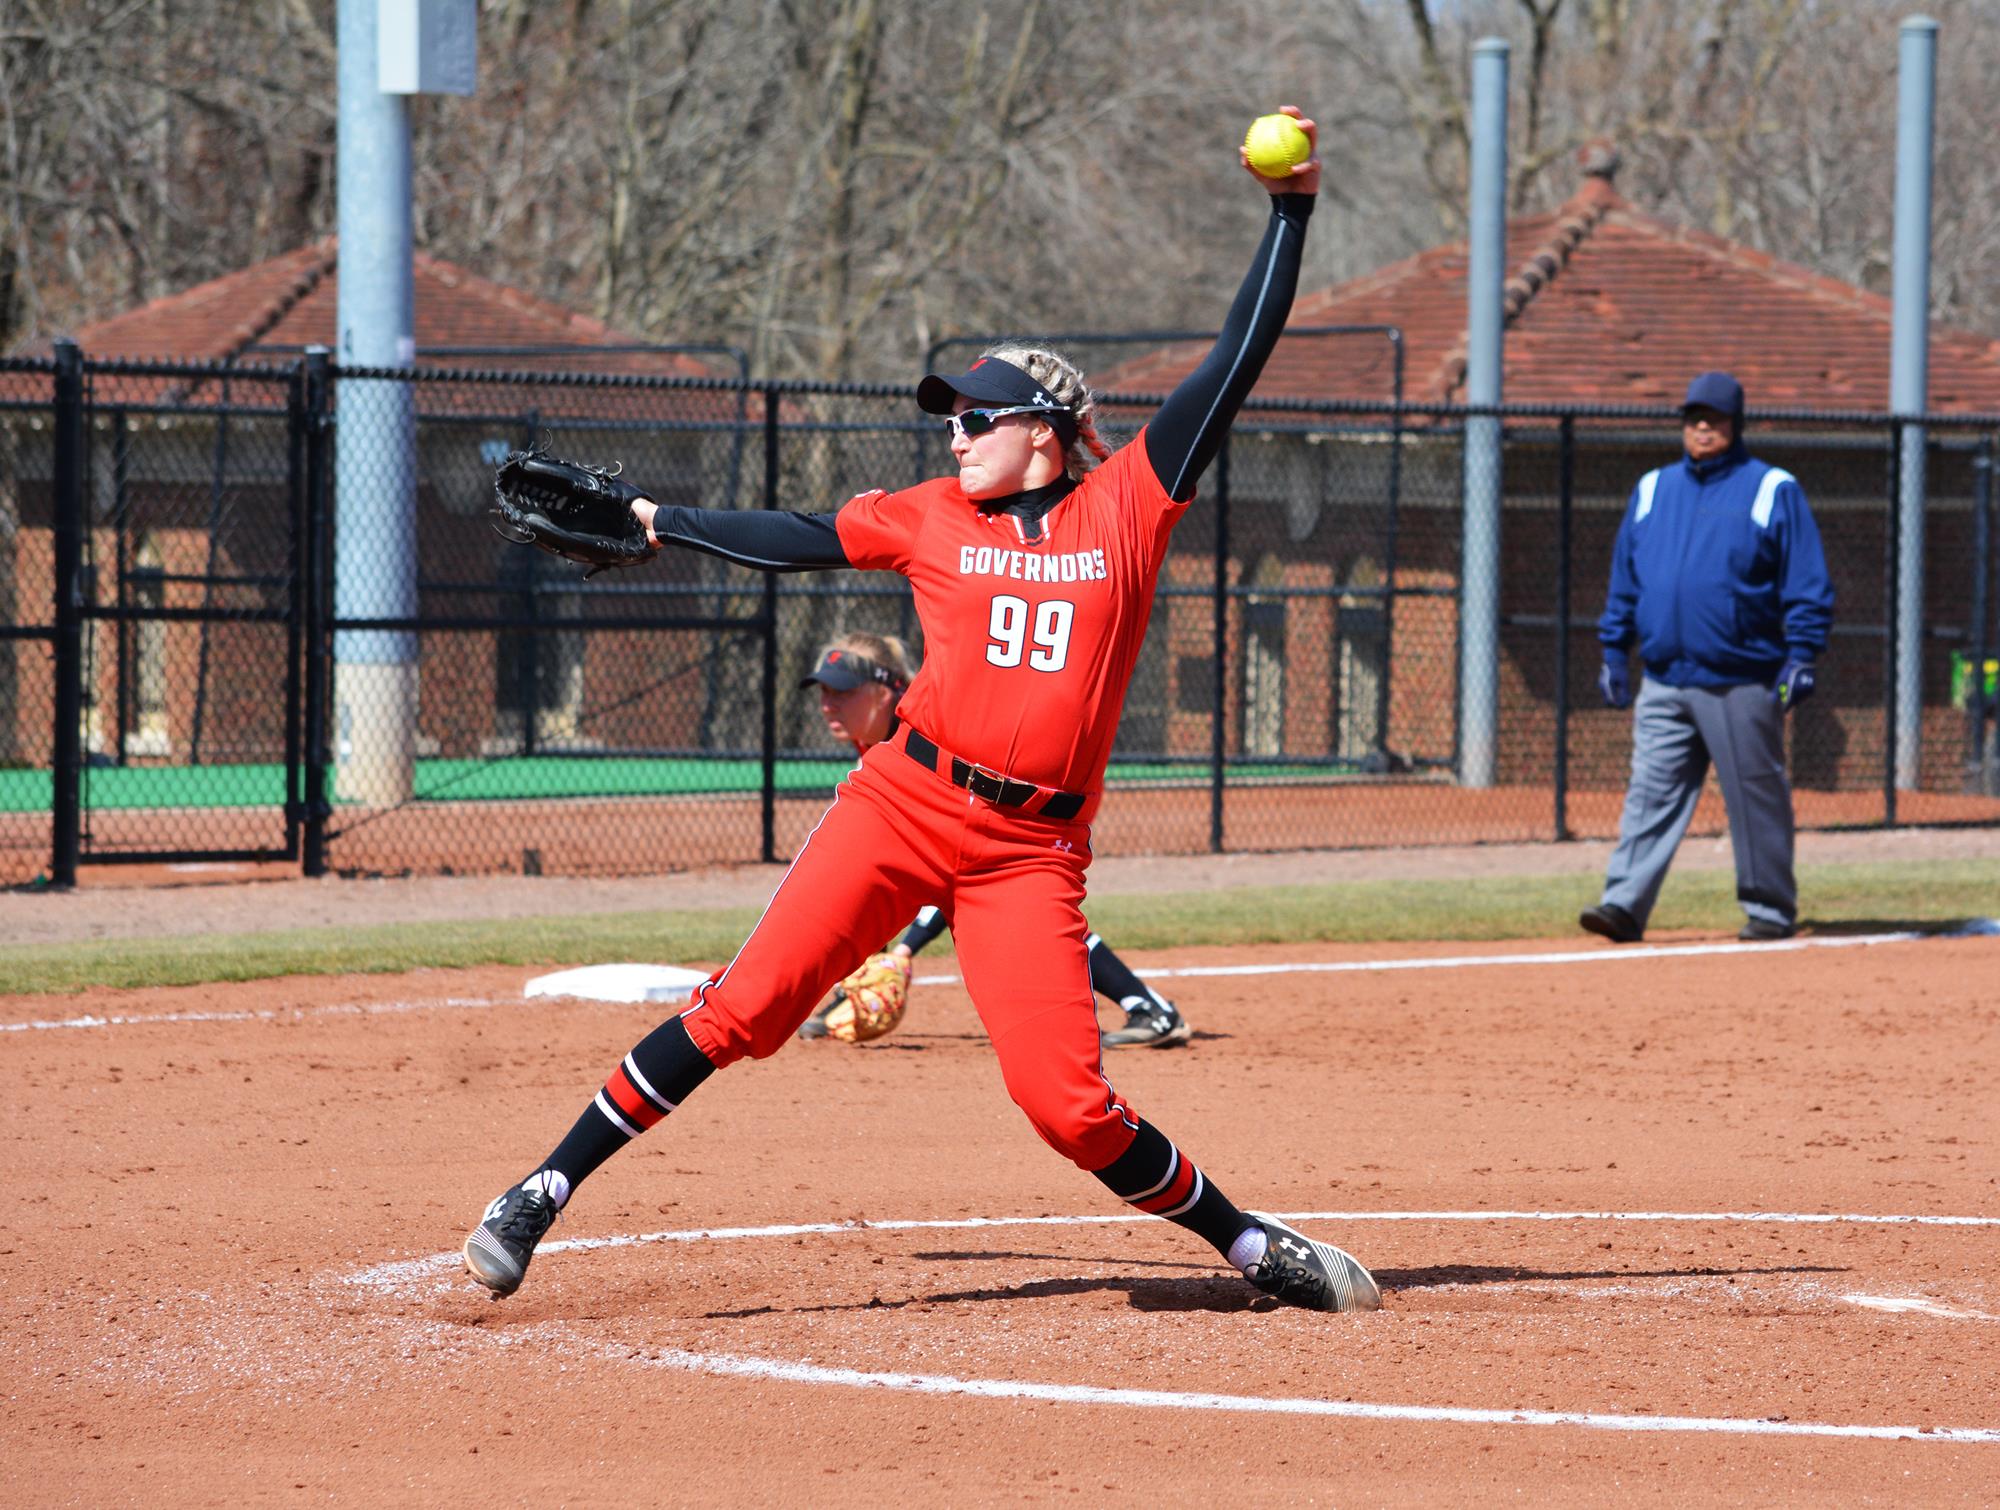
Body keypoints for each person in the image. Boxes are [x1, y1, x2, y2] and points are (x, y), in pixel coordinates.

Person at [464, 108, 1380, 1315]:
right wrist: (654, 520)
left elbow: (1237, 355)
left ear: (1041, 437)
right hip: (900, 805)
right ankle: (540, 1188)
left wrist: (1292, 208)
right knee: (743, 1009)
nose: (952, 432)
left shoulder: (1130, 507)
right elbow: (797, 536)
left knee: (1069, 1106)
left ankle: (1249, 1243)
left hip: (1025, 852)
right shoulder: (927, 515)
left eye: (974, 416)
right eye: (947, 415)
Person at [794, 629, 1192, 1049]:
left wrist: (905, 951)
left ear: (886, 690)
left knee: (1029, 921)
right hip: (976, 830)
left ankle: (1153, 1009)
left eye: (843, 691)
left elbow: (948, 868)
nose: (827, 704)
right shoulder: (874, 738)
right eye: (823, 691)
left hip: (1024, 817)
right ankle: (854, 985)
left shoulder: (924, 736)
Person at [1579, 371, 1833, 946]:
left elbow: (1806, 581)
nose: (1702, 427)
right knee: (1650, 793)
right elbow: (1626, 579)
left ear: (1734, 424)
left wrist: (1802, 654)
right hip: (1665, 677)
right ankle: (1622, 905)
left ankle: (1769, 906)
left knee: (1754, 795)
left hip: (1741, 678)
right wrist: (1615, 650)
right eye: (1694, 417)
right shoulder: (1652, 490)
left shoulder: (1772, 489)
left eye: (1714, 418)